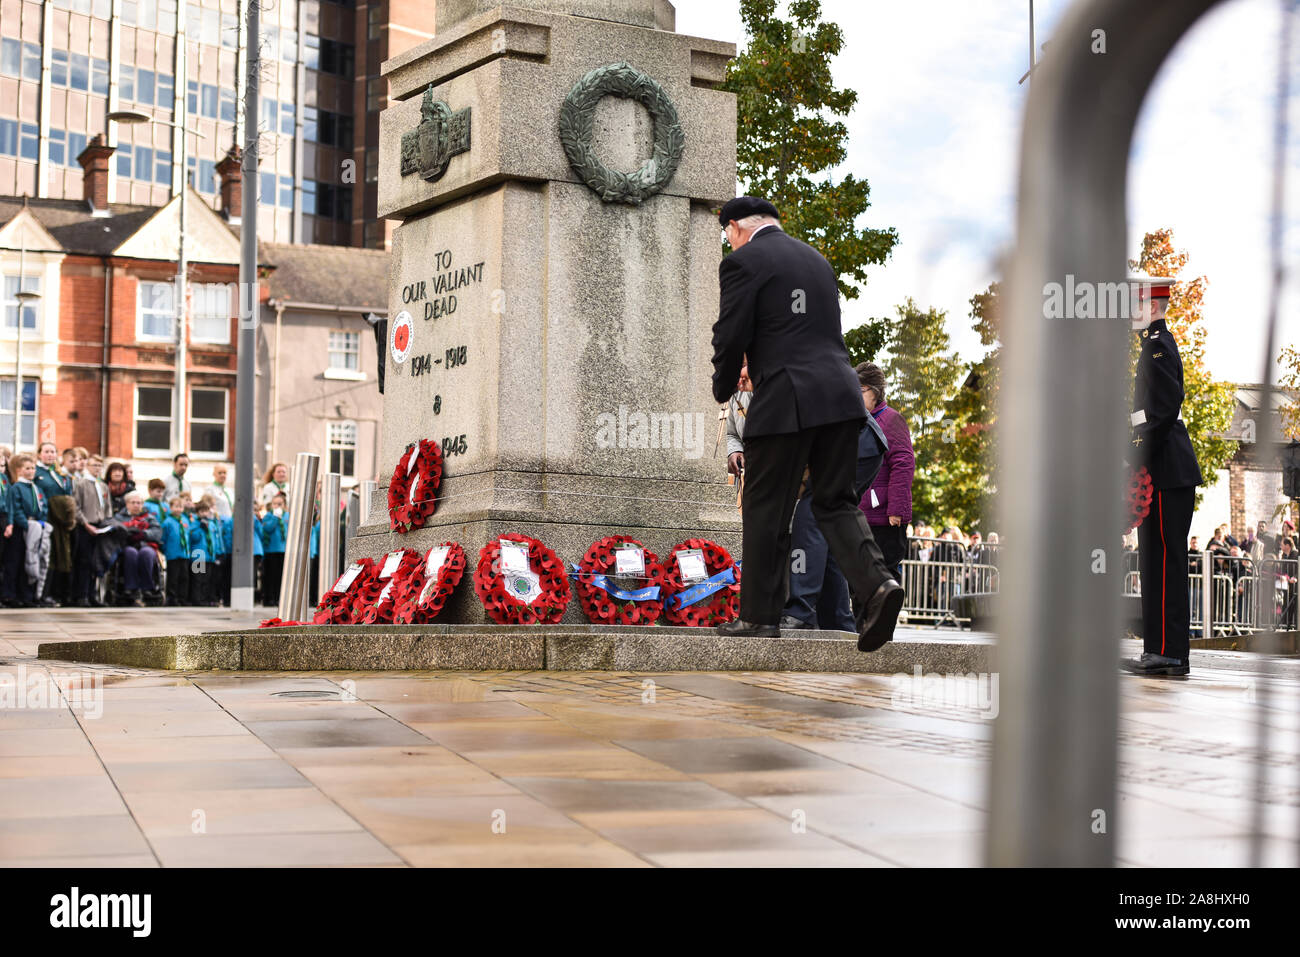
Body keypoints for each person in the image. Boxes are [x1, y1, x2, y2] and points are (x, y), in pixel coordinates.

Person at [710, 196, 902, 650]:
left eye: (727, 236)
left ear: (735, 228)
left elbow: (731, 330)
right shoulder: (817, 261)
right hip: (840, 398)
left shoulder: (744, 262)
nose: (729, 244)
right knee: (835, 502)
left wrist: (723, 386)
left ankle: (758, 617)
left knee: (765, 506)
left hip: (785, 402)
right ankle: (878, 586)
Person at [1121, 279, 1204, 679]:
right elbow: (1147, 414)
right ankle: (1157, 649)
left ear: (1154, 306)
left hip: (1167, 468)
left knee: (1167, 560)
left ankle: (1170, 652)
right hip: (1159, 466)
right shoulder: (1153, 346)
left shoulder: (1157, 347)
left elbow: (1163, 412)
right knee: (1154, 560)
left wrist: (1132, 446)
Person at [780, 363, 889, 631]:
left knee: (811, 514)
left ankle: (801, 610)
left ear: (869, 390)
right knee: (828, 525)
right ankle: (838, 620)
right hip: (864, 444)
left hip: (859, 440)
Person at [856, 362, 915, 582]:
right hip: (861, 515)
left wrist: (896, 509)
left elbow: (903, 464)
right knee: (859, 578)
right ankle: (862, 618)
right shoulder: (859, 421)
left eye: (861, 391)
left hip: (885, 517)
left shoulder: (891, 419)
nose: (856, 396)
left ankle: (884, 618)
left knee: (884, 575)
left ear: (876, 391)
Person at [3, 454, 53, 607]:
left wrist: (41, 522)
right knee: (15, 562)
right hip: (21, 528)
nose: (31, 471)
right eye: (27, 468)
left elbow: (43, 506)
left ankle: (28, 595)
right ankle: (10, 595)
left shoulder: (36, 488)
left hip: (36, 529)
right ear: (19, 470)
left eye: (33, 468)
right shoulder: (16, 487)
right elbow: (16, 508)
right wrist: (25, 524)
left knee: (31, 562)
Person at [71, 446, 114, 606]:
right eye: (94, 465)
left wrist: (107, 522)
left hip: (100, 527)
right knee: (84, 561)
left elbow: (107, 506)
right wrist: (86, 523)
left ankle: (92, 594)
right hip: (86, 526)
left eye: (99, 466)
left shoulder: (102, 485)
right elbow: (76, 506)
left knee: (96, 563)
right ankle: (81, 595)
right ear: (87, 466)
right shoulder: (81, 483)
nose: (97, 468)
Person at [112, 490, 162, 606]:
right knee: (131, 553)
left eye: (139, 503)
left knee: (147, 553)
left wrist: (144, 534)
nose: (136, 505)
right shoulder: (119, 517)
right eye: (133, 502)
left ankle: (148, 588)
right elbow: (115, 530)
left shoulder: (149, 517)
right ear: (127, 504)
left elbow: (157, 531)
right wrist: (128, 533)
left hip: (145, 544)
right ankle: (130, 587)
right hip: (127, 546)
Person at [161, 496, 192, 606]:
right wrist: (165, 550)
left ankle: (182, 598)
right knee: (173, 577)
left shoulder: (185, 520)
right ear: (170, 507)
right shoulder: (167, 522)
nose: (178, 509)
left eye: (180, 507)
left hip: (184, 554)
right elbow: (163, 538)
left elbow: (188, 536)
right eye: (176, 507)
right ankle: (172, 598)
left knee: (184, 577)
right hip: (172, 554)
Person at [260, 491, 288, 607]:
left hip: (283, 550)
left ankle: (278, 598)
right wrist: (276, 518)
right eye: (275, 504)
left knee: (280, 576)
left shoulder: (287, 515)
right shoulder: (268, 516)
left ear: (284, 505)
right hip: (271, 550)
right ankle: (268, 598)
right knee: (270, 575)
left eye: (280, 504)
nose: (277, 506)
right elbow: (268, 529)